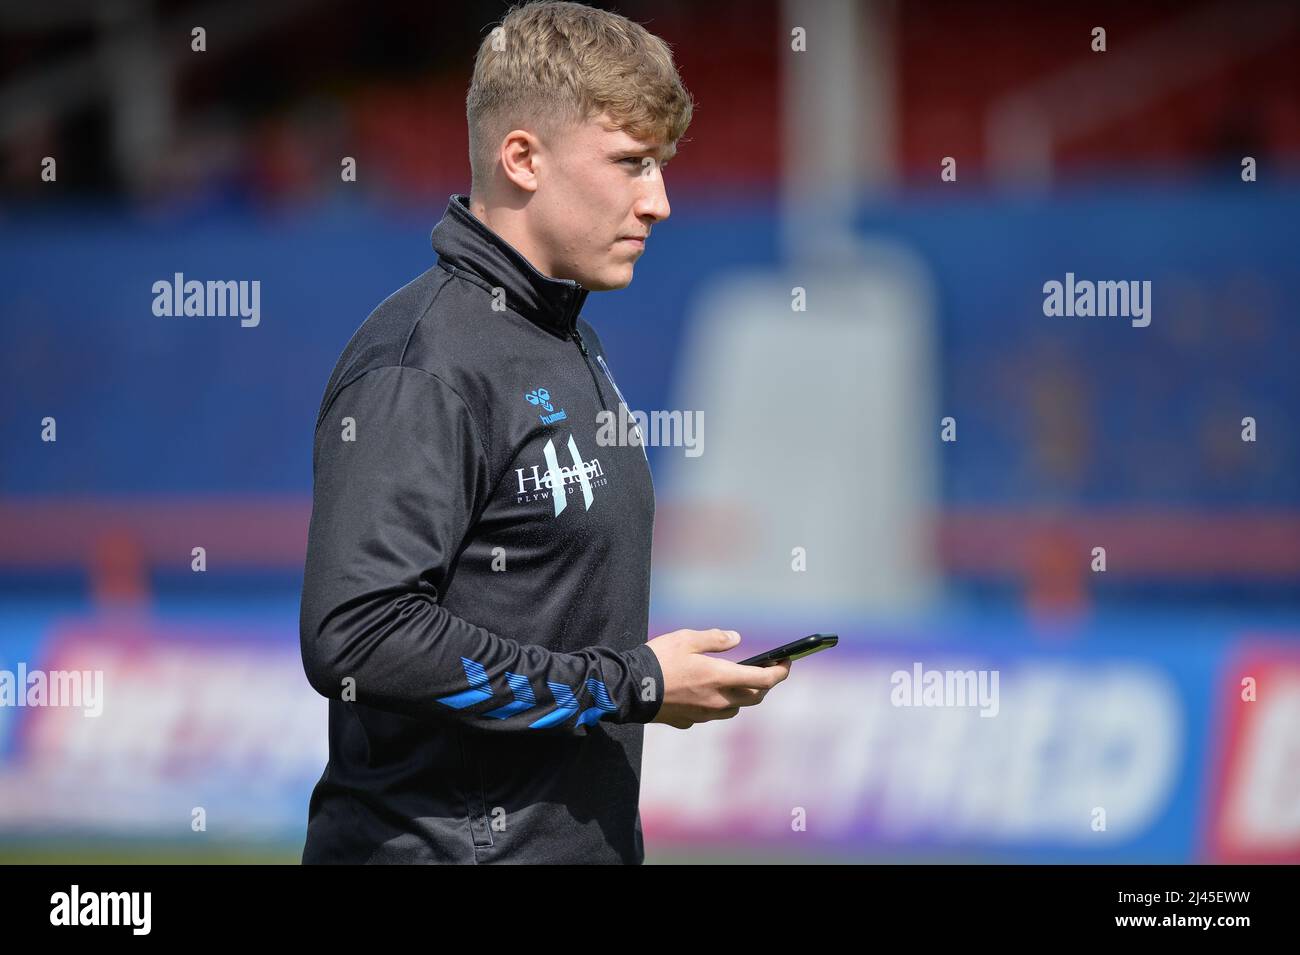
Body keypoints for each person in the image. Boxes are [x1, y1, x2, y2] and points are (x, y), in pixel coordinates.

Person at [299, 0, 790, 865]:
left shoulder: (564, 337)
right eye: (632, 164)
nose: (661, 201)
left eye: (661, 166)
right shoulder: (424, 361)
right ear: (521, 158)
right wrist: (631, 682)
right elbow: (359, 634)